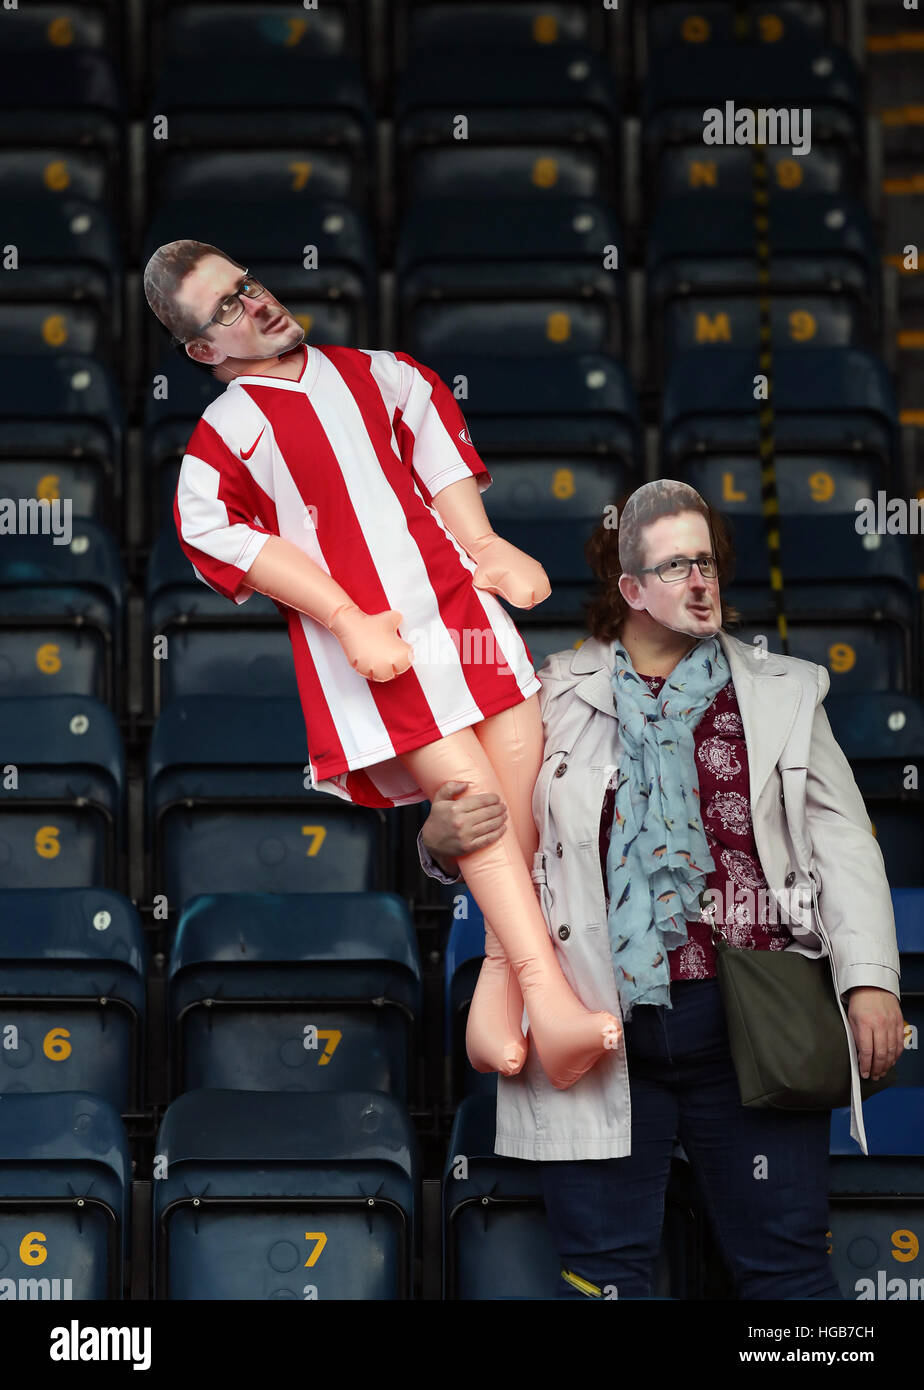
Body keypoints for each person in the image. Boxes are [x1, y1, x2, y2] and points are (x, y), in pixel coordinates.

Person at [143, 239, 622, 1091]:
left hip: (464, 613)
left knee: (527, 805)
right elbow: (215, 530)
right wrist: (343, 614)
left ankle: (493, 1005)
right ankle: (547, 1000)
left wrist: (481, 542)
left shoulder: (377, 371)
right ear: (203, 353)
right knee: (476, 811)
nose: (254, 304)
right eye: (225, 308)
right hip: (380, 656)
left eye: (246, 285)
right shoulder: (227, 431)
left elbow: (433, 431)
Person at [418, 478, 904, 1300]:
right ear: (629, 588)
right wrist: (437, 844)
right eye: (676, 565)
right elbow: (494, 832)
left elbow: (845, 846)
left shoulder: (785, 689)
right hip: (595, 1016)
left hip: (750, 1010)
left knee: (787, 1272)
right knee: (605, 1280)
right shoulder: (546, 695)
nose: (701, 581)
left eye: (707, 562)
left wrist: (869, 982)